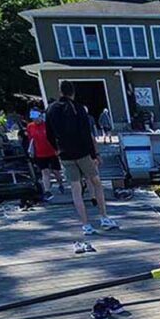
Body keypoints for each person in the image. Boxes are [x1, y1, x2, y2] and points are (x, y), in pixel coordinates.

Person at [46, 81, 118, 235]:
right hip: (82, 153)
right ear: (73, 93)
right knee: (96, 183)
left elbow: (49, 134)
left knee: (75, 189)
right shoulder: (78, 109)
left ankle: (86, 225)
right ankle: (104, 217)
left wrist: (57, 149)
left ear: (60, 92)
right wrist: (95, 155)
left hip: (65, 154)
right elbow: (86, 134)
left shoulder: (51, 109)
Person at [26, 108, 64, 201]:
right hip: (40, 153)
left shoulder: (48, 125)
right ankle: (47, 191)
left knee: (56, 172)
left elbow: (56, 136)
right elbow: (30, 140)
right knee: (45, 172)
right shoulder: (30, 126)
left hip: (52, 152)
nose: (35, 120)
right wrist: (31, 151)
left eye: (36, 118)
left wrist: (58, 148)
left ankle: (60, 184)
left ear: (40, 116)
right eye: (33, 118)